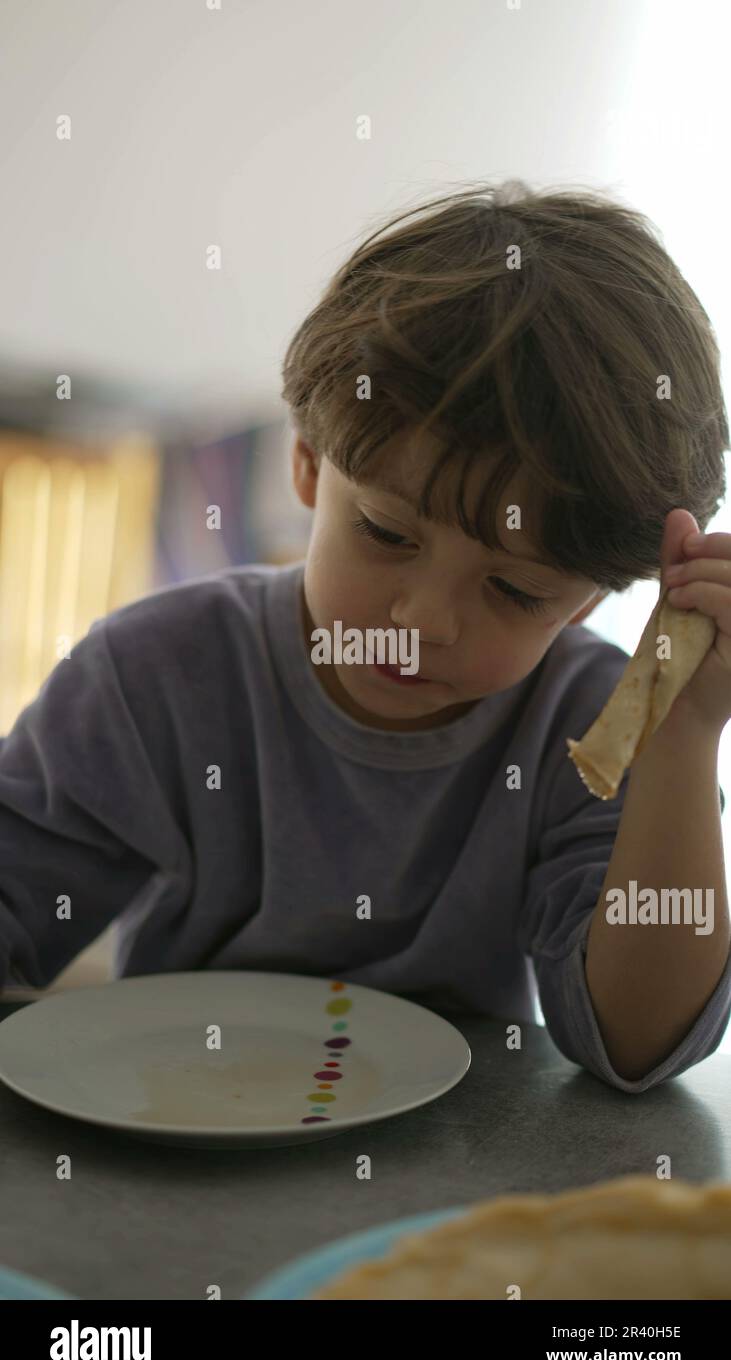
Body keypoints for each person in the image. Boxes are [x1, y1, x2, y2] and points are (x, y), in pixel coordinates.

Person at [1, 180, 729, 1093]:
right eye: (386, 534)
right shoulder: (157, 677)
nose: (424, 622)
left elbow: (636, 1047)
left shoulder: (585, 729)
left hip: (461, 1205)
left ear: (584, 601)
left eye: (512, 589)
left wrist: (682, 731)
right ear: (306, 459)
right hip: (173, 1174)